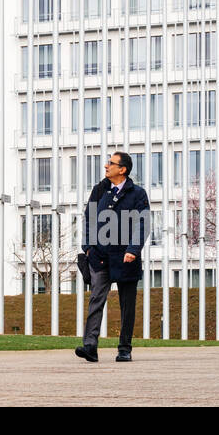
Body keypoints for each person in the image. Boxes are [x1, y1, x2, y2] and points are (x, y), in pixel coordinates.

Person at [75, 151, 151, 363]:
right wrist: (88, 247)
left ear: (122, 169)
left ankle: (124, 349)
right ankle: (90, 346)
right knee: (96, 300)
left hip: (127, 257)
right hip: (100, 256)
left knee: (127, 305)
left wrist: (133, 250)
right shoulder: (99, 190)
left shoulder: (137, 193)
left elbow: (142, 224)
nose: (106, 166)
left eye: (111, 163)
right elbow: (88, 219)